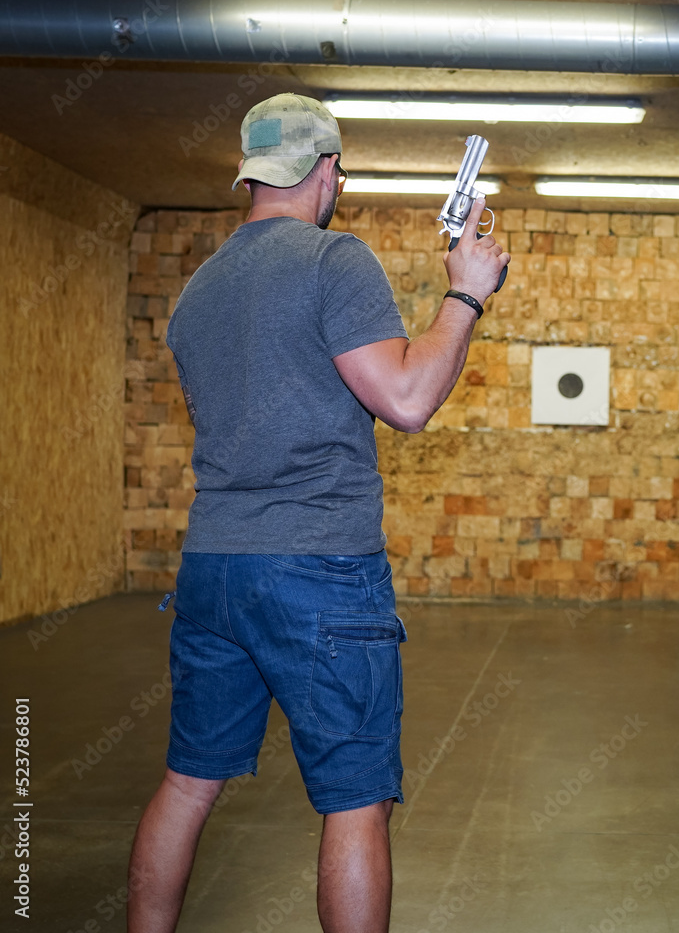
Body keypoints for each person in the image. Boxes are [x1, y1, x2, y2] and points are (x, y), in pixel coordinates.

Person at [126, 92, 510, 933]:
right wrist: (466, 296)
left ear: (252, 173)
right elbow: (406, 399)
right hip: (319, 570)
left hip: (212, 569)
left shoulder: (198, 290)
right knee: (356, 798)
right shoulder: (335, 261)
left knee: (189, 783)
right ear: (326, 170)